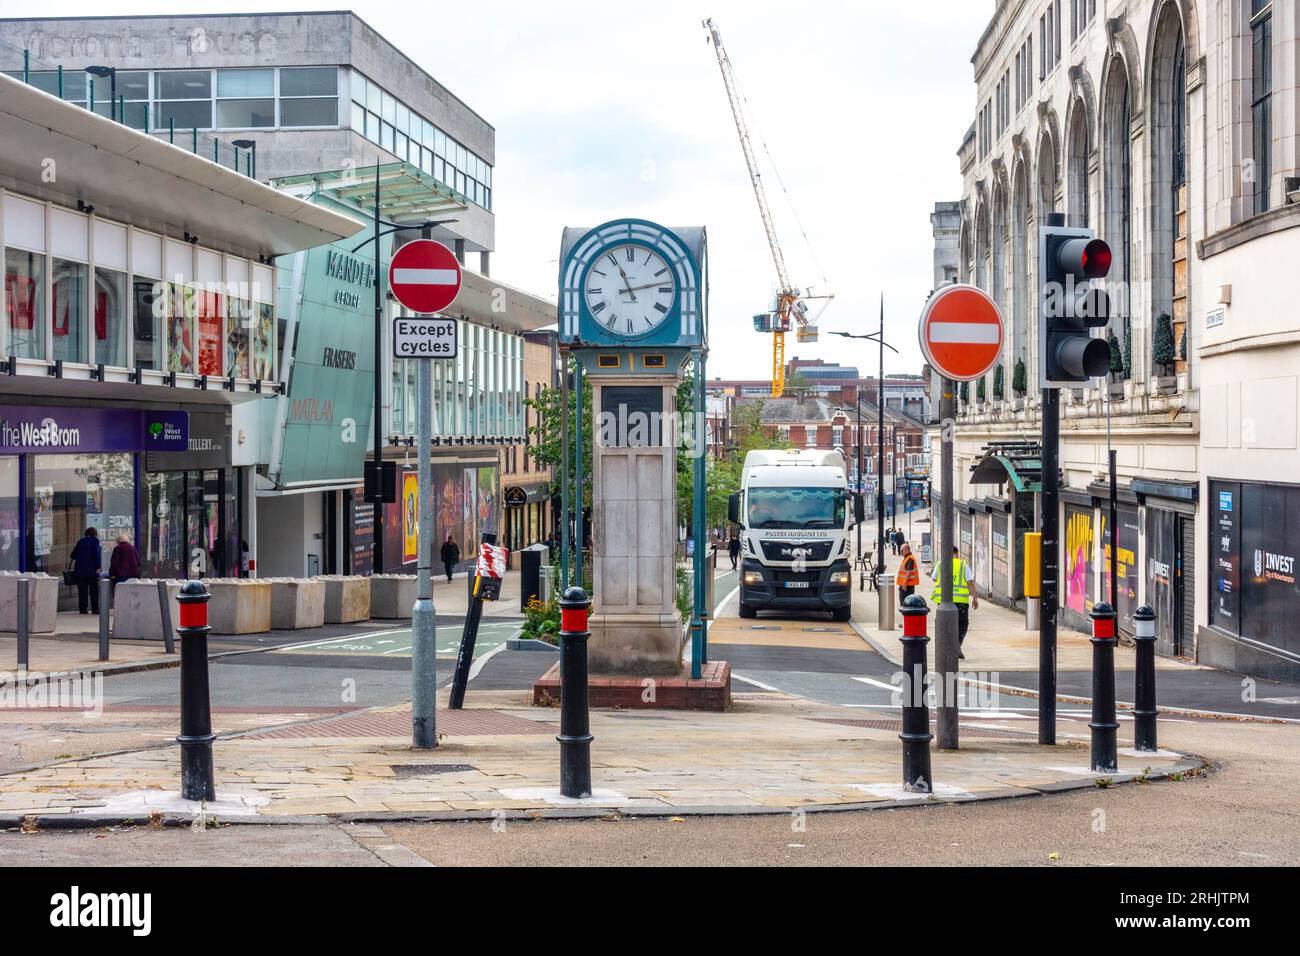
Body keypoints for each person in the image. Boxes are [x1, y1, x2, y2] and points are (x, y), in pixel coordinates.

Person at [930, 545, 977, 659]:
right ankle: (957, 645)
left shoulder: (941, 564)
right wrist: (975, 598)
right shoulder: (962, 564)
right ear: (956, 553)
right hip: (960, 601)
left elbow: (934, 578)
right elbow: (970, 582)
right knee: (962, 624)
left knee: (945, 625)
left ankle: (948, 648)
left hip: (944, 600)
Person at [69, 527, 102, 614]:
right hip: (91, 571)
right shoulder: (95, 541)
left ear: (86, 533)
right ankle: (95, 609)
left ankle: (83, 609)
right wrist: (98, 567)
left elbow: (72, 555)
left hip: (80, 571)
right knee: (94, 591)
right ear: (94, 534)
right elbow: (96, 554)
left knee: (82, 592)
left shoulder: (80, 541)